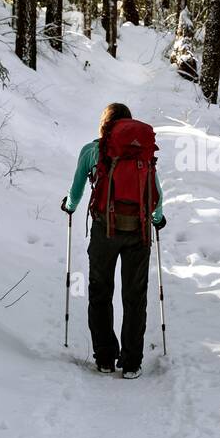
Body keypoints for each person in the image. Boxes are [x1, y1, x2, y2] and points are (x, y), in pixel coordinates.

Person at [62, 103, 166, 378]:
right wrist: (157, 219)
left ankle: (105, 358)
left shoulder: (92, 151)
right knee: (135, 297)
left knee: (101, 291)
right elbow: (156, 195)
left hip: (104, 230)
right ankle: (131, 363)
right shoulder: (140, 151)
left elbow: (76, 190)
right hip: (138, 233)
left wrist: (70, 207)